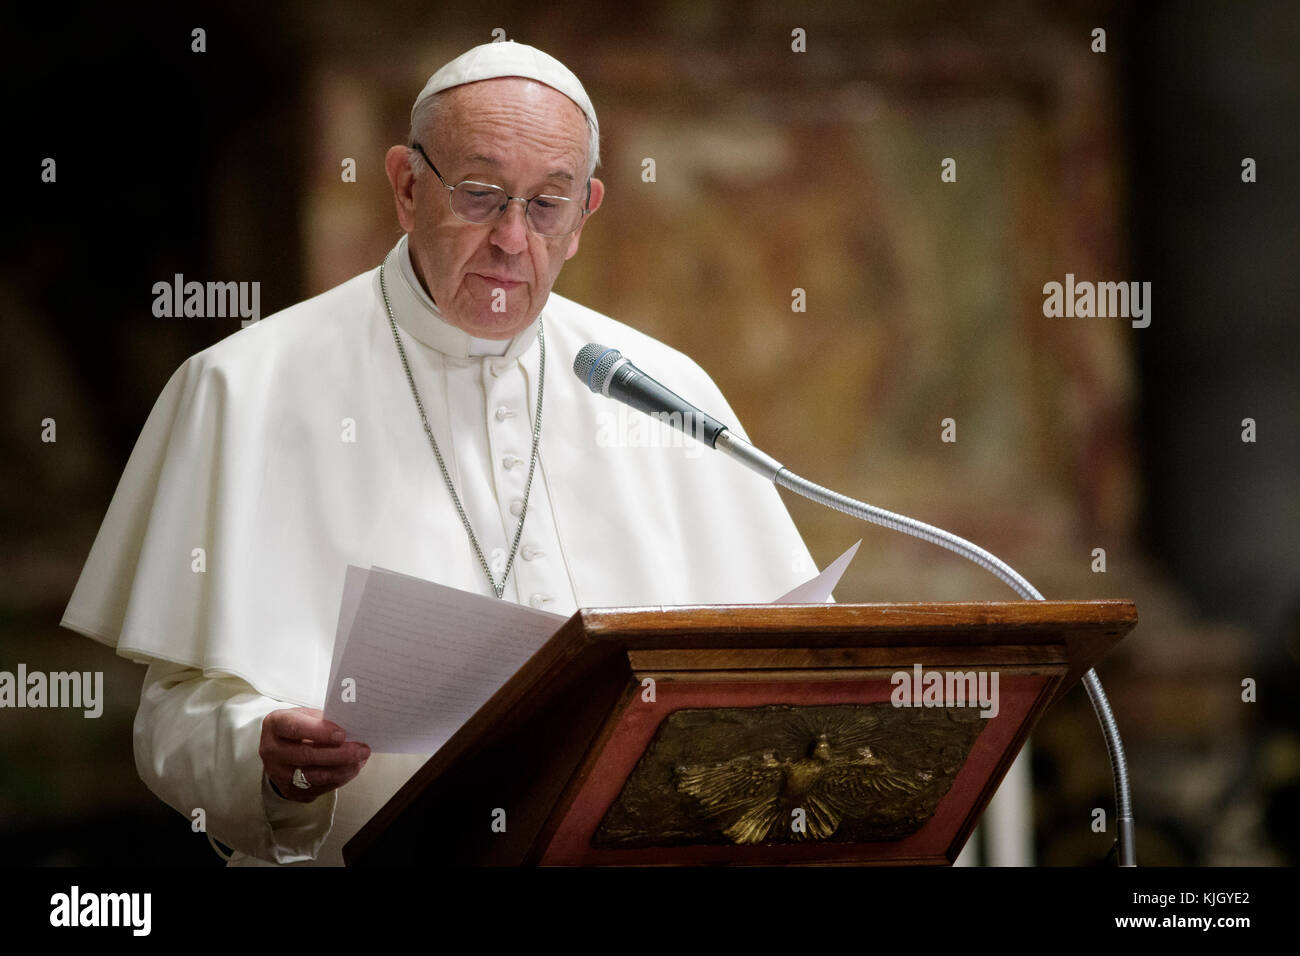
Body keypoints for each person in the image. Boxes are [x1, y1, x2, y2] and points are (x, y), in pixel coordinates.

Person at [60, 40, 816, 866]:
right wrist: (263, 760)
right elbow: (171, 718)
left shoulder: (667, 394)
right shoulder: (241, 389)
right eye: (481, 195)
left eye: (547, 205)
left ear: (586, 212)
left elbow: (772, 688)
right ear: (406, 186)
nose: (511, 240)